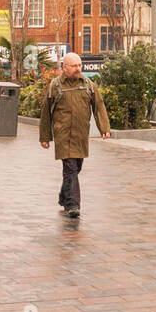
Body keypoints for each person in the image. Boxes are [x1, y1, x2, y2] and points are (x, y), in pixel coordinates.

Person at [39, 52, 111, 218]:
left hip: (80, 134)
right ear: (65, 67)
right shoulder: (55, 86)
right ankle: (73, 205)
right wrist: (45, 136)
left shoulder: (88, 84)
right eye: (74, 66)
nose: (79, 69)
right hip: (63, 135)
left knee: (76, 168)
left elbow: (99, 106)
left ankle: (64, 196)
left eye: (80, 65)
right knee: (70, 168)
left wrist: (104, 128)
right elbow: (46, 113)